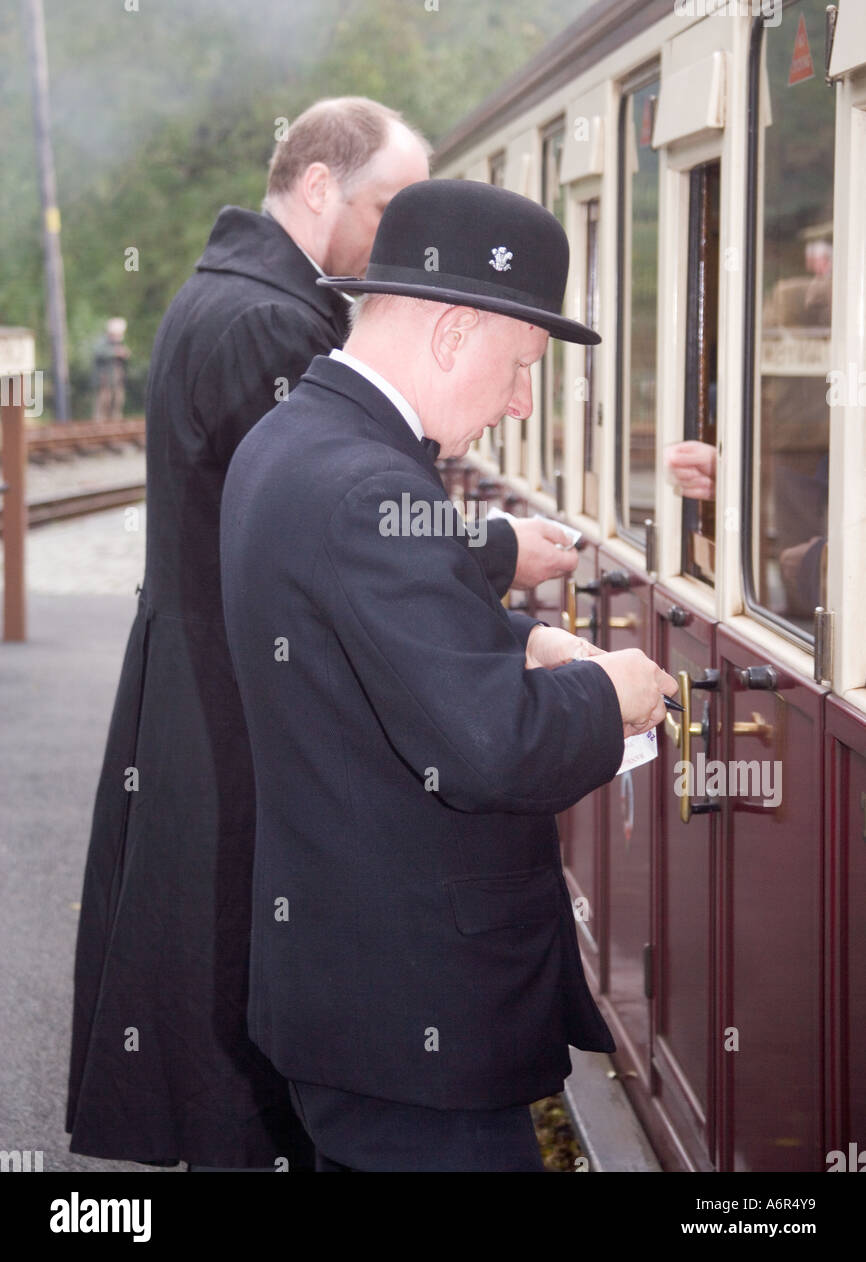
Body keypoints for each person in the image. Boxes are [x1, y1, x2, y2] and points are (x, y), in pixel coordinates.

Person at [66, 99, 580, 1172]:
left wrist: (476, 552)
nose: (391, 239)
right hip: (250, 695)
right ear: (317, 189)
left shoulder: (235, 297)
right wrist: (489, 557)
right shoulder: (272, 326)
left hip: (215, 665)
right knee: (240, 1014)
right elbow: (343, 529)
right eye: (387, 206)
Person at [220, 178, 676, 1172]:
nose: (520, 400)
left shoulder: (293, 438)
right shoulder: (369, 479)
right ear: (451, 330)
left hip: (350, 990)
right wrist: (616, 692)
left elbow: (359, 615)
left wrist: (512, 634)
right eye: (520, 367)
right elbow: (491, 746)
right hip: (409, 1010)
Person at [91, 317, 131, 420]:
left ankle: (116, 423)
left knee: (118, 401)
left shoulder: (119, 343)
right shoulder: (102, 342)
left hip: (117, 380)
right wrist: (115, 353)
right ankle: (99, 425)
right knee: (103, 403)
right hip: (104, 380)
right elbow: (98, 352)